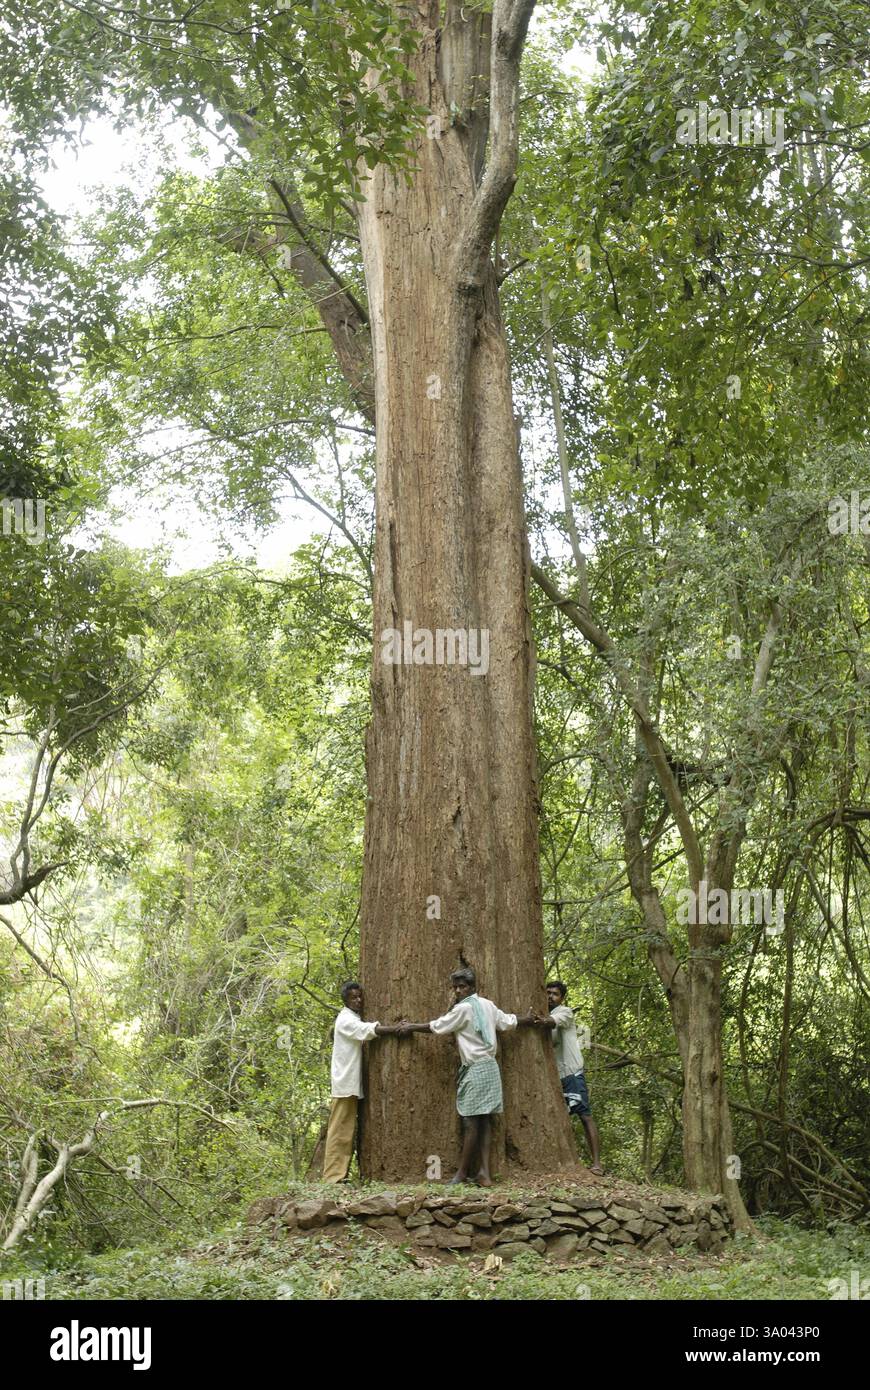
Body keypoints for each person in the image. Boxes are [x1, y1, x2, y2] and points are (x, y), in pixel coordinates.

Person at [403, 967, 536, 1186]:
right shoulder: (488, 1005)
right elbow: (508, 1021)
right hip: (490, 1067)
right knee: (484, 1120)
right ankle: (484, 1173)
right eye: (455, 987)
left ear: (472, 987)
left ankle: (462, 1173)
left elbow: (438, 1026)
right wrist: (526, 1019)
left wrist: (412, 1027)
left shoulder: (464, 1009)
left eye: (462, 986)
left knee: (471, 1121)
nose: (457, 991)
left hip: (477, 1067)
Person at [322, 980, 404, 1183]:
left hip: (350, 1084)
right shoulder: (345, 1019)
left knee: (347, 1130)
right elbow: (367, 1030)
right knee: (340, 1131)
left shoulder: (351, 1017)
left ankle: (338, 1175)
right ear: (345, 1000)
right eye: (353, 998)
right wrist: (394, 1029)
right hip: (344, 1085)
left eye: (360, 997)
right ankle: (332, 1177)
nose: (358, 1000)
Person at [536, 980, 603, 1174]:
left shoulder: (564, 1012)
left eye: (555, 994)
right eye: (547, 992)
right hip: (555, 1076)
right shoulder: (548, 1012)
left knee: (584, 1115)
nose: (550, 996)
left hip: (572, 1073)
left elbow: (549, 1023)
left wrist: (535, 1020)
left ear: (562, 998)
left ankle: (597, 1163)